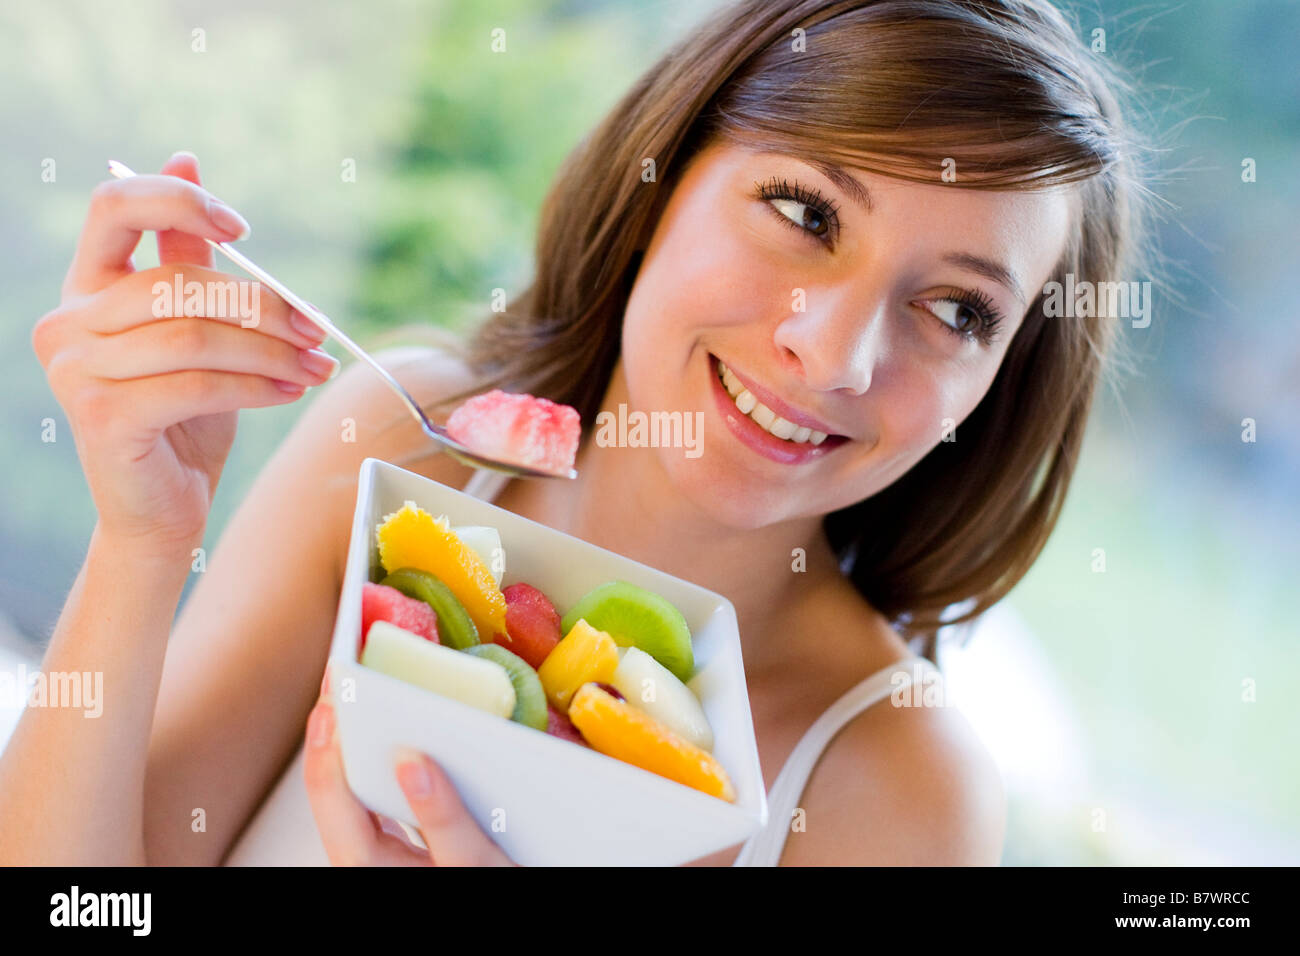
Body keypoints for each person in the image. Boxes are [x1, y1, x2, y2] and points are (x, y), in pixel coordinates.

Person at [0, 0, 1148, 866]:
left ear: (994, 387)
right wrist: (142, 543)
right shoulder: (403, 446)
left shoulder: (896, 776)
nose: (836, 354)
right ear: (664, 182)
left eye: (957, 310)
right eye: (805, 213)